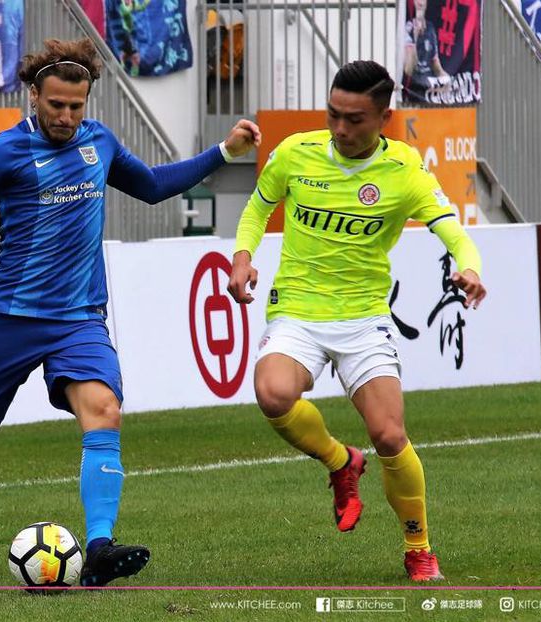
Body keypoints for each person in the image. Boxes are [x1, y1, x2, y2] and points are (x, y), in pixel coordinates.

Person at [0, 37, 260, 587]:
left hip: (79, 319)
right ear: (33, 96)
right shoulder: (0, 153)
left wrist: (224, 151)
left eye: (76, 106)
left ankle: (98, 549)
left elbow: (153, 186)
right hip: (9, 322)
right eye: (55, 106)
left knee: (105, 410)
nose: (67, 117)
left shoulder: (100, 142)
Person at [227, 60, 486, 582]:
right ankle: (340, 461)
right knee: (273, 393)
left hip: (365, 317)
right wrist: (242, 256)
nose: (340, 128)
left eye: (354, 119)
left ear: (384, 117)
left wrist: (470, 266)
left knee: (390, 436)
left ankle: (419, 549)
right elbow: (258, 209)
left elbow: (450, 229)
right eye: (333, 115)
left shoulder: (404, 171)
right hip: (298, 308)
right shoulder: (296, 153)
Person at [402, 0, 452, 103]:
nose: (420, 2)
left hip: (430, 91)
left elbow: (436, 66)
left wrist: (447, 79)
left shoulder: (430, 28)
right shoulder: (407, 28)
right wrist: (415, 38)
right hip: (414, 92)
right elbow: (408, 70)